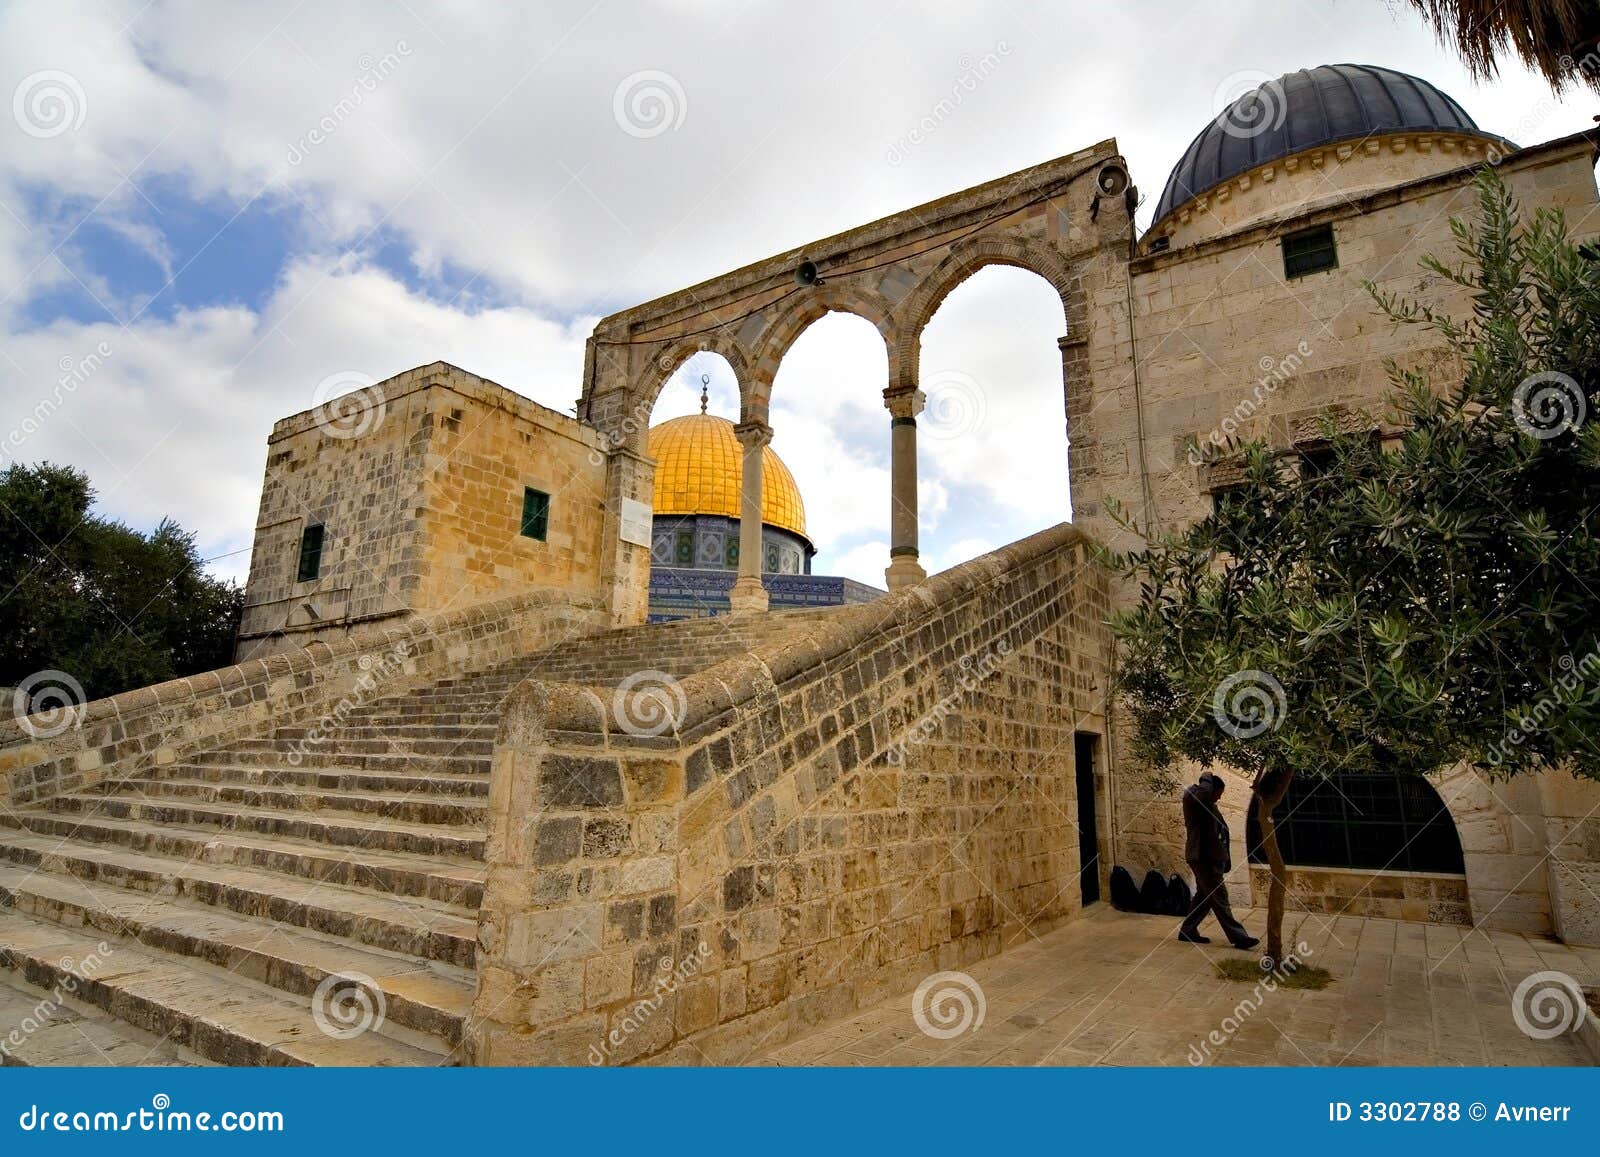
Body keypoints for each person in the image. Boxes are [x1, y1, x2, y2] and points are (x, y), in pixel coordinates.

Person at [1177, 772, 1259, 948]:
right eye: (1219, 793)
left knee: (1205, 896)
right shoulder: (1194, 799)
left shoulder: (1207, 803)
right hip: (1202, 857)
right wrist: (1207, 776)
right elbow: (1204, 794)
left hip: (1209, 858)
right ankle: (1239, 937)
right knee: (1219, 896)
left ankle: (1188, 930)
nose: (1219, 797)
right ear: (1210, 789)